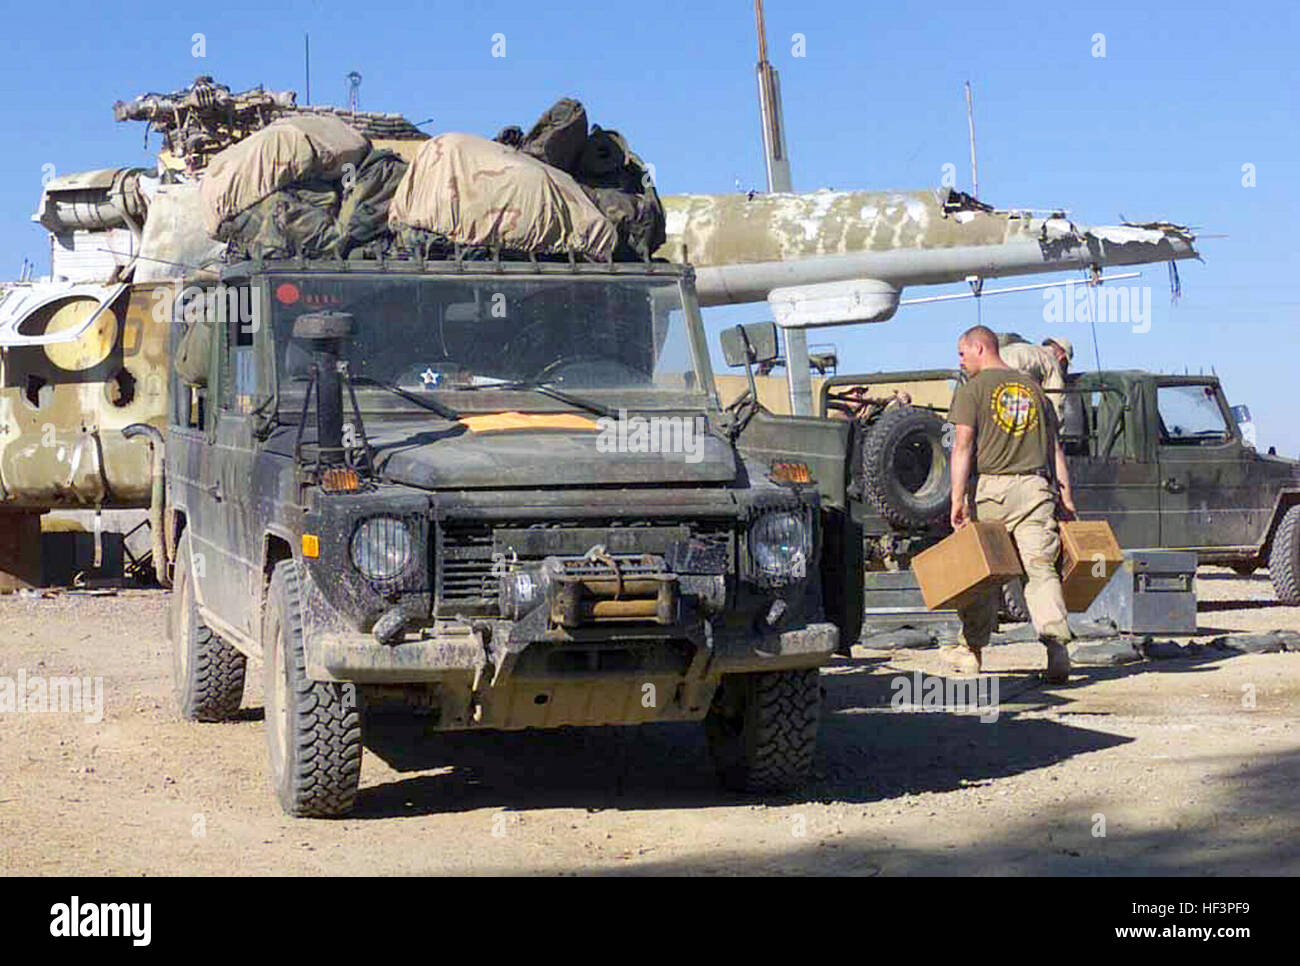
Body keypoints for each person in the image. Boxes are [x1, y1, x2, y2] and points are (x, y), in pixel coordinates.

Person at [945, 325, 1075, 683]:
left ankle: (971, 652)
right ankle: (1057, 649)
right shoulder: (1035, 389)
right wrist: (1065, 496)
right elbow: (1054, 449)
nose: (960, 361)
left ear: (980, 349)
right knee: (1040, 568)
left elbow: (962, 447)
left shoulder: (972, 391)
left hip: (993, 491)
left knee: (984, 573)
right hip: (1036, 489)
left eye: (962, 353)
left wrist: (958, 500)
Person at [999, 335, 1073, 421]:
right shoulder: (1051, 362)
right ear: (1062, 357)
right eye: (1065, 364)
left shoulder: (1027, 349)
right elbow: (1055, 401)